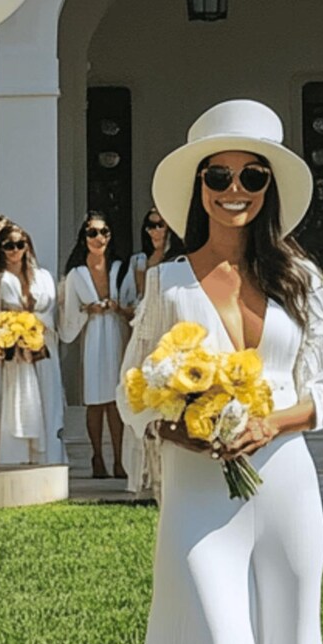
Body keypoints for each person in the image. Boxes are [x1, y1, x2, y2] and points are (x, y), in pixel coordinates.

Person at [91, 99, 323, 644]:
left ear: (268, 188)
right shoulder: (164, 284)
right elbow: (134, 389)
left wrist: (274, 420)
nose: (235, 190)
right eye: (220, 176)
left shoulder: (301, 279)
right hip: (200, 498)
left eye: (251, 176)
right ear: (197, 188)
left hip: (287, 491)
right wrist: (177, 425)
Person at [0, 217, 65, 468]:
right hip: (14, 351)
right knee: (15, 402)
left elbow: (52, 311)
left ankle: (47, 457)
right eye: (8, 246)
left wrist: (35, 328)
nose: (15, 250)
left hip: (41, 346)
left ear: (27, 246)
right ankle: (15, 456)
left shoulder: (43, 277)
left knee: (47, 399)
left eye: (20, 244)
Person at [117, 206, 185, 499]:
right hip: (143, 333)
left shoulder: (180, 261)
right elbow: (135, 299)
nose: (156, 231)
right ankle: (145, 475)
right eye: (151, 226)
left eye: (161, 225)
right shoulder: (141, 261)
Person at [58, 211, 131, 480]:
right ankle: (97, 457)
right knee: (95, 402)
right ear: (84, 237)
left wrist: (117, 307)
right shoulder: (76, 274)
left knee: (114, 401)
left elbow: (133, 300)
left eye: (104, 232)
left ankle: (119, 460)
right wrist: (87, 310)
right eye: (92, 233)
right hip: (92, 336)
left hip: (115, 332)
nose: (98, 237)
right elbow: (68, 311)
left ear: (110, 236)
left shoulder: (119, 268)